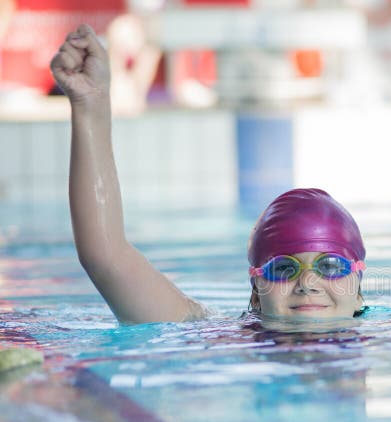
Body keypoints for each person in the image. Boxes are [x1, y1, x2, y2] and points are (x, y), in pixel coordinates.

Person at [50, 24, 367, 325]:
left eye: (330, 266)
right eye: (283, 268)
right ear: (256, 294)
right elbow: (107, 255)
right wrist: (90, 104)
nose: (308, 283)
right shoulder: (217, 334)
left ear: (359, 294)